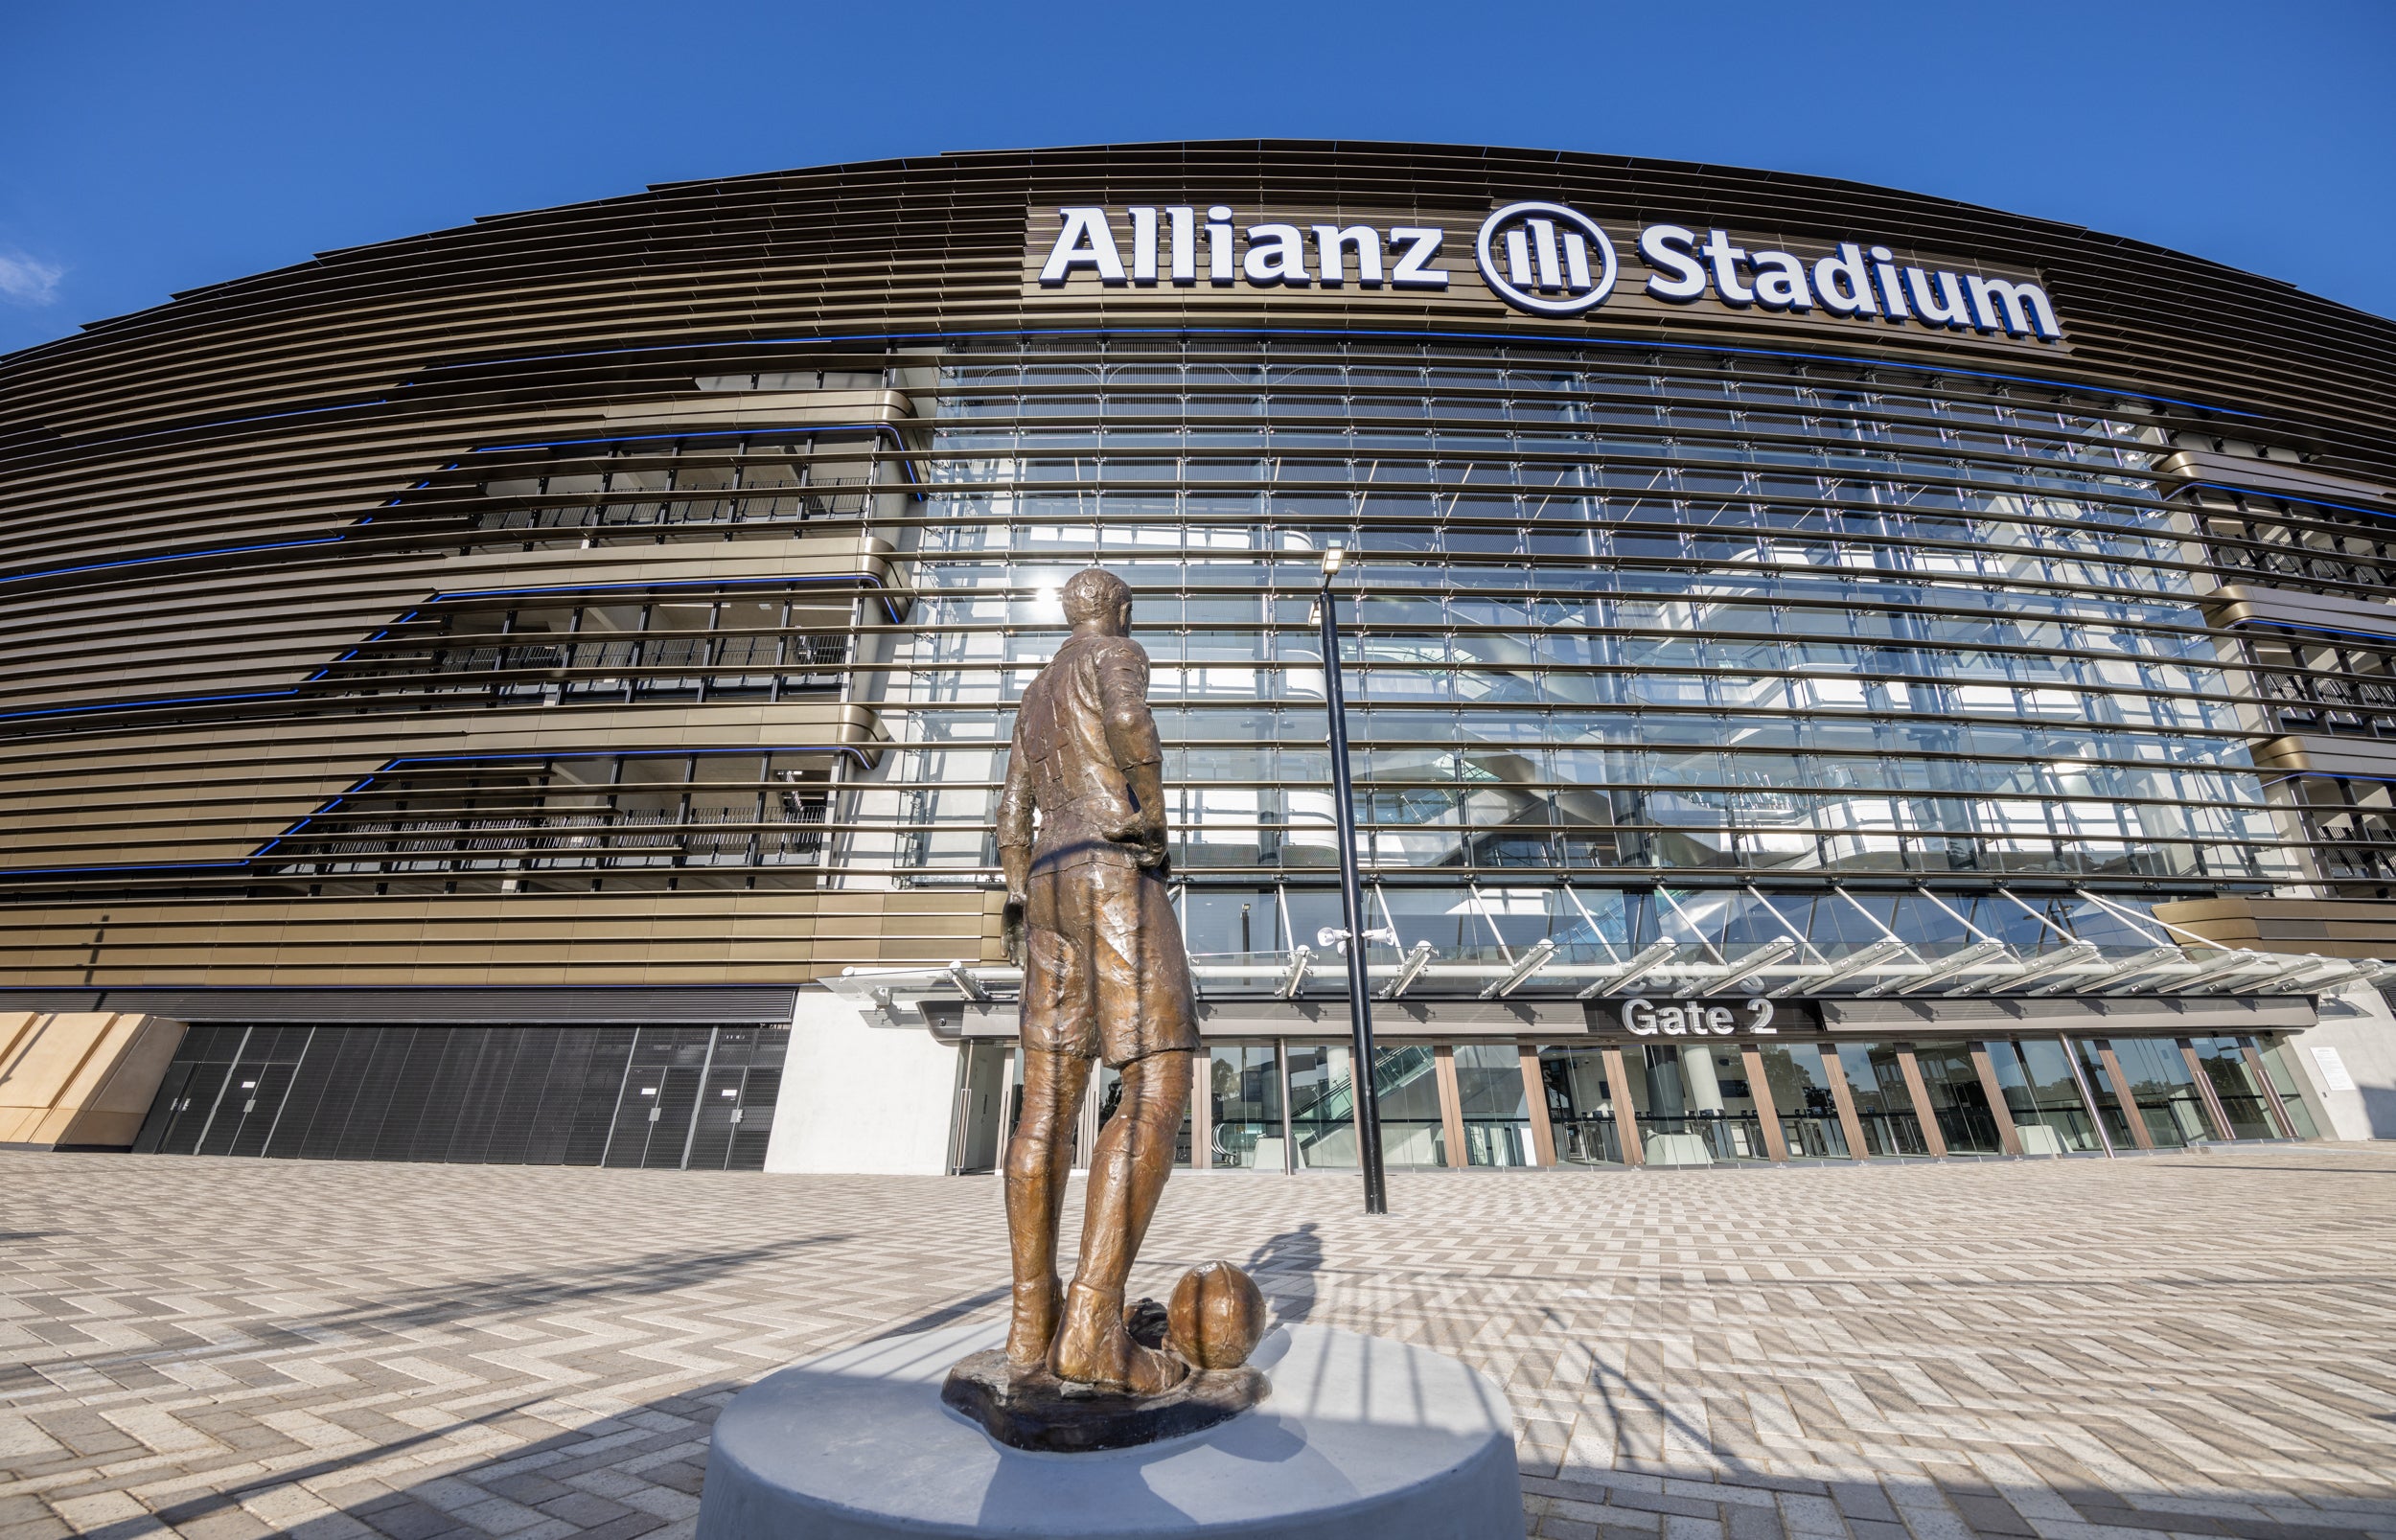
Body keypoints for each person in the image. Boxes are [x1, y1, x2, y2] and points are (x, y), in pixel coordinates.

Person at [994, 567, 1197, 1395]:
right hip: (1110, 867)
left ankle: (1028, 1321)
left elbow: (1010, 812)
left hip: (1045, 876)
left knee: (1044, 1100)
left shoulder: (1034, 692)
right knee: (1156, 1080)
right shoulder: (1113, 652)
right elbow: (1128, 723)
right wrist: (1152, 814)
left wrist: (1018, 889)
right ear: (1115, 609)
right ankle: (1090, 1325)